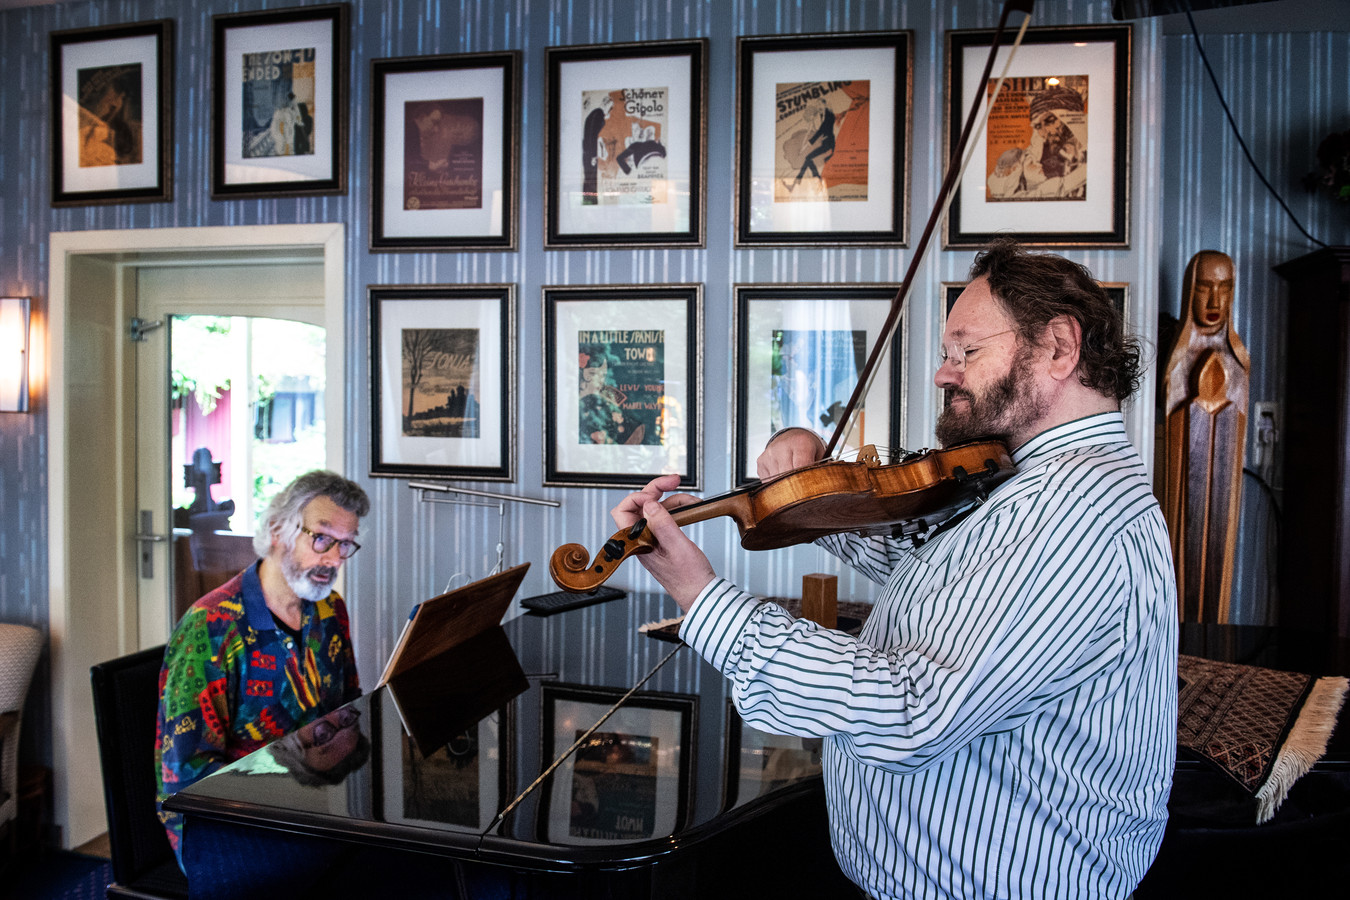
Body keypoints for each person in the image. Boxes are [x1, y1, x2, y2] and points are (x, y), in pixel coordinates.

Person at [611, 238, 1178, 900]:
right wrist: (812, 491)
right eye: (946, 354)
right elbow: (930, 567)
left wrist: (700, 595)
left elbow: (912, 709)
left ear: (1058, 346)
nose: (944, 373)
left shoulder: (1070, 510)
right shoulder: (1031, 483)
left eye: (965, 351)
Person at [155, 470, 370, 867]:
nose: (334, 559)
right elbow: (186, 775)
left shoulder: (330, 610)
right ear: (277, 530)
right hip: (229, 824)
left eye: (345, 545)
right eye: (321, 538)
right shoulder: (211, 626)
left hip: (314, 803)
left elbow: (348, 710)